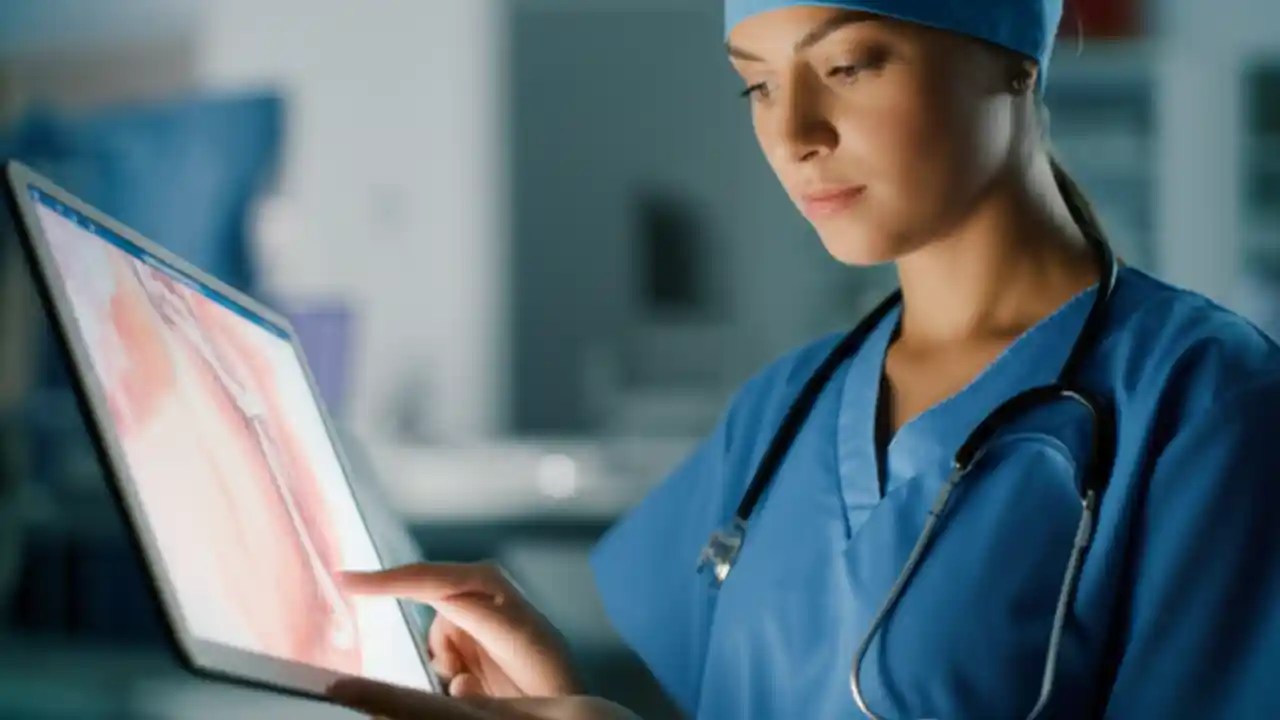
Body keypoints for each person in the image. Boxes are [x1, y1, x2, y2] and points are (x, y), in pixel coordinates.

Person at [328, 1, 1280, 718]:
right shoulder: (783, 410)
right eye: (758, 83)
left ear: (1015, 59)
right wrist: (567, 696)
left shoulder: (1207, 405)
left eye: (852, 65)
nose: (792, 136)